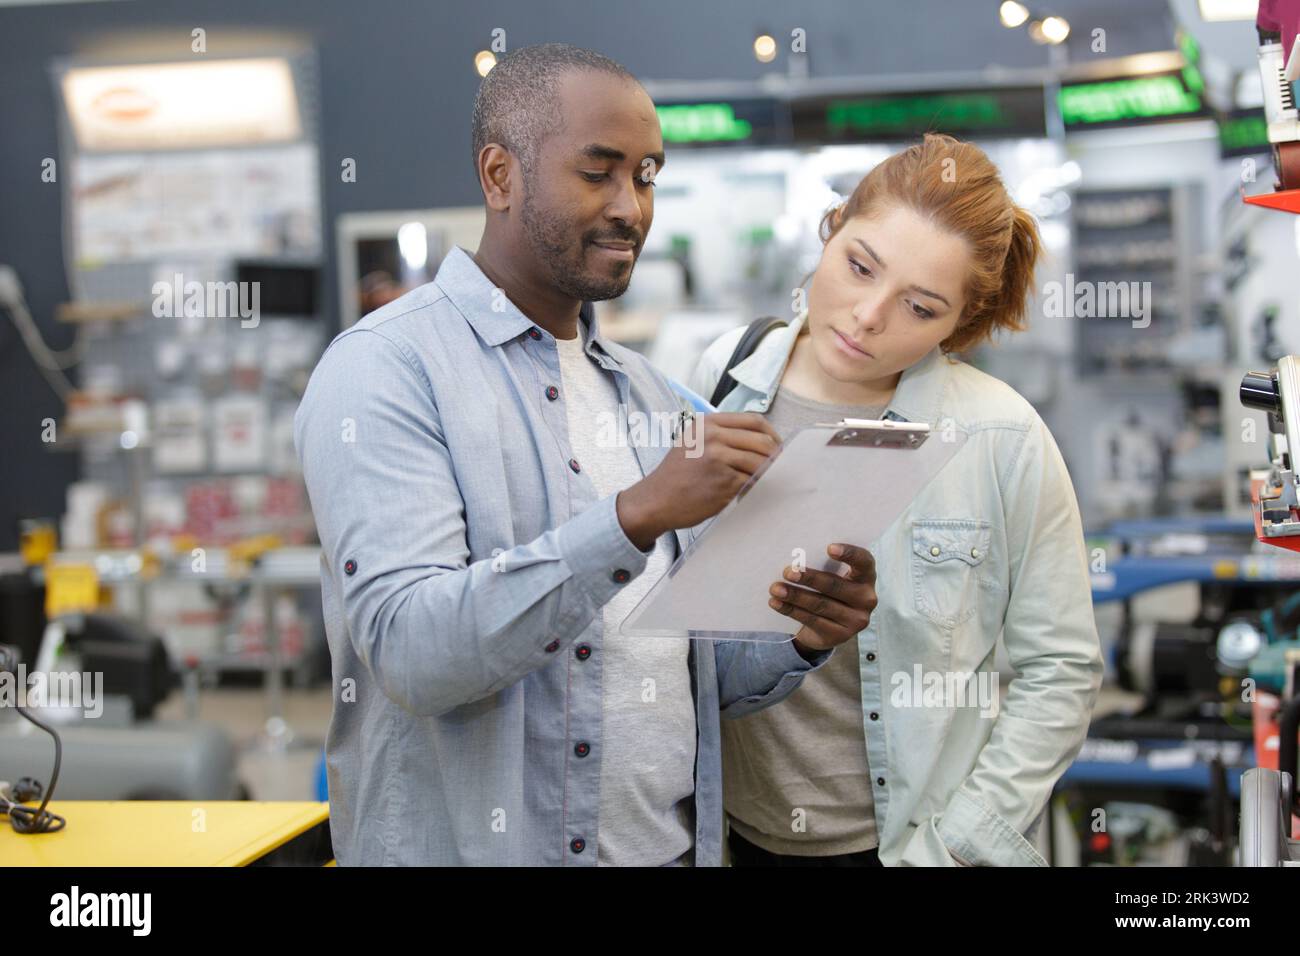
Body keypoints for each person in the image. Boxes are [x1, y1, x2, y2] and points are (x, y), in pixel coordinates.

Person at [293, 43, 878, 866]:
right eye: (597, 172)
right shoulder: (385, 369)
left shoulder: (648, 395)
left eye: (646, 176)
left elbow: (690, 677)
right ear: (500, 176)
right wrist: (634, 518)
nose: (631, 208)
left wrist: (803, 633)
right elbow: (414, 654)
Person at [690, 133, 1103, 867]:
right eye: (858, 266)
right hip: (737, 836)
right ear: (834, 225)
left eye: (920, 306)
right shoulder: (720, 375)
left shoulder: (1000, 437)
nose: (868, 315)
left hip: (914, 844)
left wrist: (959, 848)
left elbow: (1061, 671)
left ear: (959, 324)